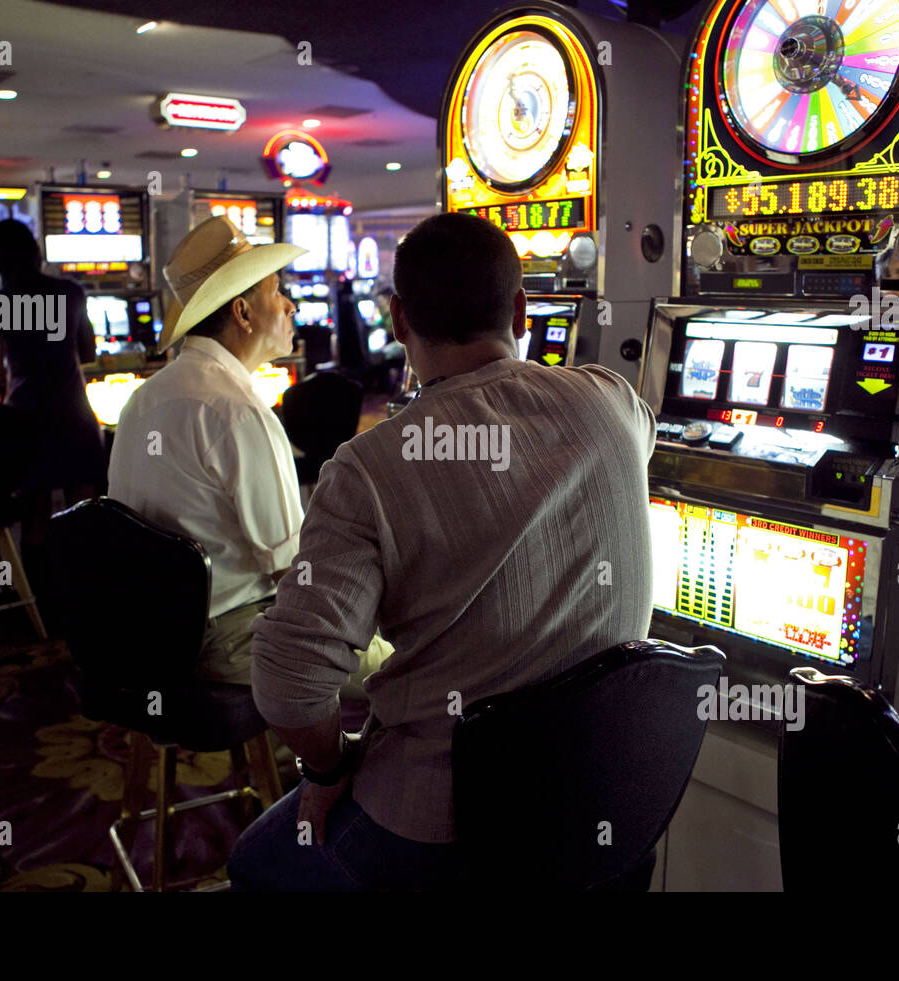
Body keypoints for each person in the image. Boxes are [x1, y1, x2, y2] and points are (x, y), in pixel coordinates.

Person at [227, 212, 657, 891]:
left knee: (252, 864)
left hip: (442, 828)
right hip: (605, 798)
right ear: (520, 308)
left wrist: (330, 768)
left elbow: (287, 684)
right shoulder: (612, 402)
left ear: (398, 319)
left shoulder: (367, 469)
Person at [107, 216, 309, 719]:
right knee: (404, 663)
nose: (290, 306)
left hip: (142, 632)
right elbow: (292, 570)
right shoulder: (238, 410)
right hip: (224, 640)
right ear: (242, 312)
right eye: (276, 292)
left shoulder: (141, 400)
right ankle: (336, 779)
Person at [0, 219, 105, 587]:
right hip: (73, 413)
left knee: (34, 514)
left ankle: (41, 603)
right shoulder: (70, 291)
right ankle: (86, 594)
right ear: (35, 251)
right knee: (82, 510)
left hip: (27, 418)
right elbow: (88, 353)